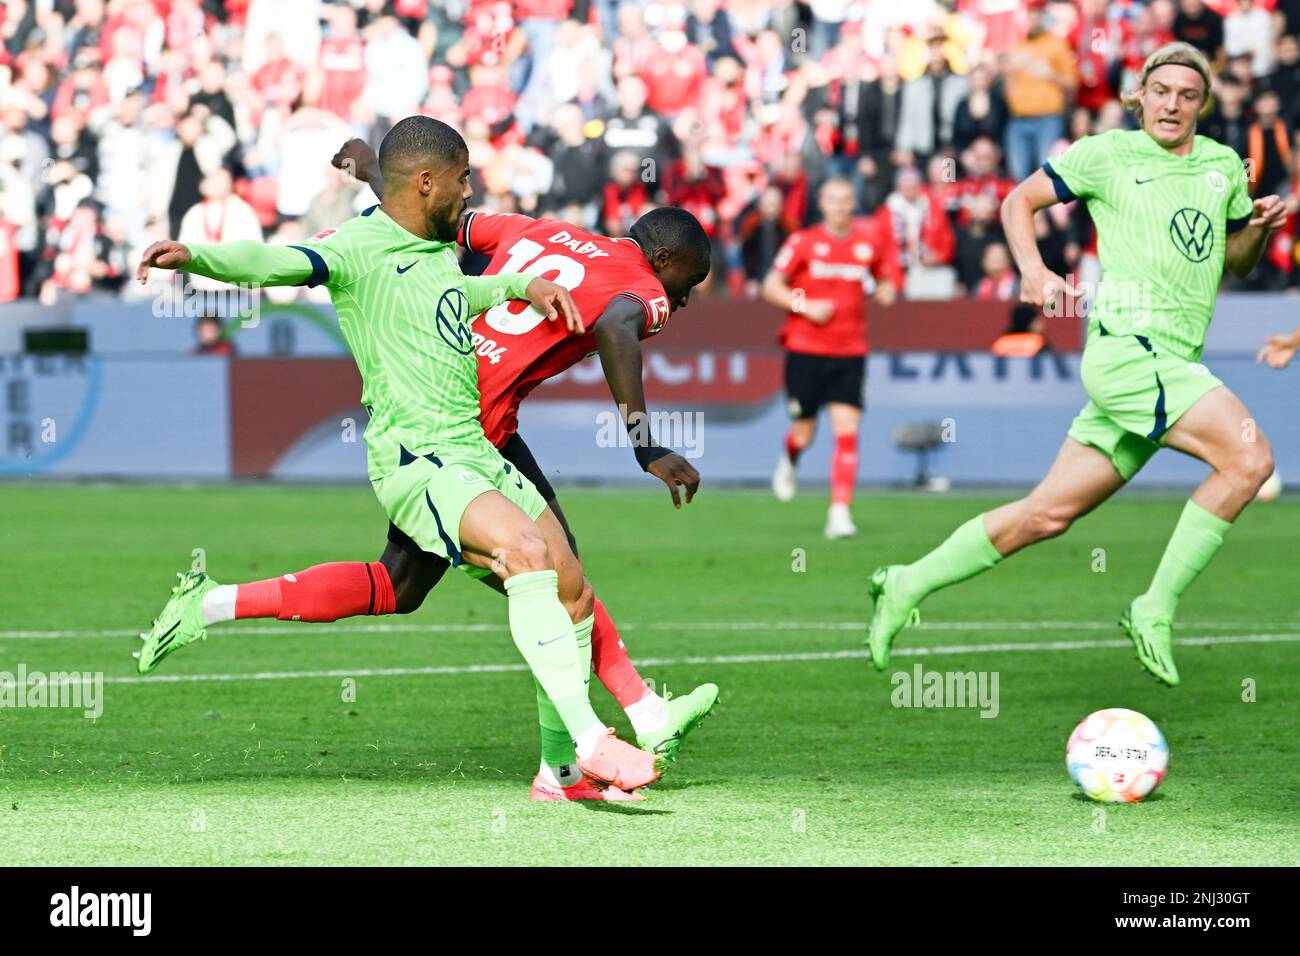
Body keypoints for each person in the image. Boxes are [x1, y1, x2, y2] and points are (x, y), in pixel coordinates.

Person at [133, 116, 662, 801]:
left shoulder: (435, 247)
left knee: (569, 590)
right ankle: (591, 739)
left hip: (473, 449)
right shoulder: (356, 248)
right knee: (525, 555)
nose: (471, 191)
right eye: (464, 178)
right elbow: (276, 261)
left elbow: (451, 294)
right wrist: (197, 256)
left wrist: (514, 287)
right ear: (426, 181)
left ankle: (558, 774)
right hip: (419, 461)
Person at [865, 43, 1287, 687]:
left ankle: (905, 582)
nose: (1173, 104)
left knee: (1046, 515)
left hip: (1171, 361)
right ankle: (1155, 607)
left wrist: (1257, 227)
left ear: (1202, 104)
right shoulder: (1105, 153)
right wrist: (1034, 271)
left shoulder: (1225, 166)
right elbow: (1016, 203)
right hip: (1129, 353)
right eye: (1162, 91)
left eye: (1188, 95)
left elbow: (1236, 260)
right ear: (1140, 95)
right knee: (1251, 460)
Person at [763, 177, 901, 539]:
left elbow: (886, 276)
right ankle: (790, 458)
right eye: (833, 200)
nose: (840, 207)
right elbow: (771, 285)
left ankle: (839, 512)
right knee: (804, 432)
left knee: (847, 433)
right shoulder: (804, 242)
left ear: (853, 202)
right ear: (822, 204)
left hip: (850, 351)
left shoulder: (868, 242)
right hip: (805, 350)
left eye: (846, 200)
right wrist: (804, 305)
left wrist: (887, 287)